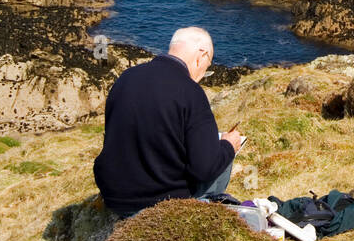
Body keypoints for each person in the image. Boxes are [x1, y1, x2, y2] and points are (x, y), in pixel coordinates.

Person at [93, 26, 244, 219]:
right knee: (220, 149)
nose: (206, 69)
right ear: (202, 54)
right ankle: (205, 204)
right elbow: (204, 169)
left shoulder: (126, 78)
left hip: (114, 196)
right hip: (159, 202)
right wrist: (229, 146)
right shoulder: (191, 92)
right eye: (209, 63)